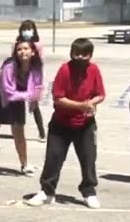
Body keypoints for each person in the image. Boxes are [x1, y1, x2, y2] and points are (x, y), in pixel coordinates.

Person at [26, 38, 106, 208]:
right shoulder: (64, 70)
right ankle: (46, 191)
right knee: (54, 158)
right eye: (76, 54)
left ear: (90, 55)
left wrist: (92, 103)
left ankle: (89, 191)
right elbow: (59, 98)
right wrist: (81, 105)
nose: (79, 58)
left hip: (85, 124)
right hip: (61, 123)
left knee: (88, 158)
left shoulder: (94, 70)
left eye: (84, 55)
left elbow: (101, 94)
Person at [0, 38, 44, 175]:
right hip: (0, 97)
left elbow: (37, 86)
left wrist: (34, 101)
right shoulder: (9, 67)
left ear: (33, 52)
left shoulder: (36, 67)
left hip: (18, 97)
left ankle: (24, 164)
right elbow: (8, 93)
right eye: (19, 49)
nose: (22, 52)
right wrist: (29, 95)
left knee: (19, 132)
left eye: (25, 49)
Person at [17, 19, 48, 140]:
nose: (26, 31)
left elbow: (40, 62)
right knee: (18, 103)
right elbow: (13, 59)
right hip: (20, 76)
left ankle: (41, 132)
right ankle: (18, 129)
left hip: (33, 78)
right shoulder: (17, 43)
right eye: (24, 29)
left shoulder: (37, 45)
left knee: (34, 105)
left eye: (29, 29)